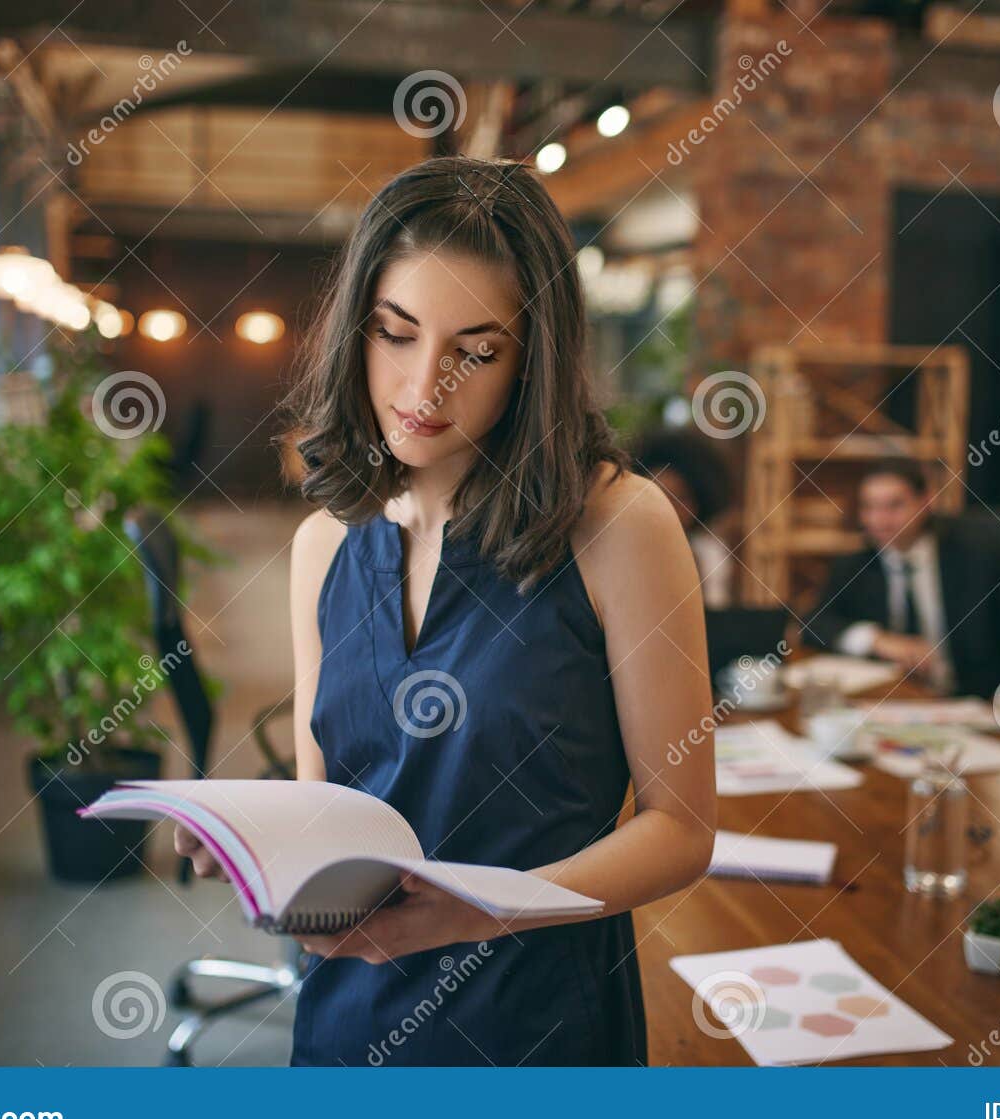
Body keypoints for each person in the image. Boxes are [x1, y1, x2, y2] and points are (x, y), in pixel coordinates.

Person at [175, 157, 716, 1065]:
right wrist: (254, 841)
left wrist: (479, 910)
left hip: (539, 1031)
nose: (424, 385)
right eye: (395, 333)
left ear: (531, 360)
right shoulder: (324, 545)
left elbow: (683, 830)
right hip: (349, 1021)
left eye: (476, 351)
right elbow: (331, 804)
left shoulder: (619, 525)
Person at [799, 459, 1000, 698]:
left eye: (894, 505)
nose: (879, 520)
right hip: (893, 700)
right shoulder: (855, 565)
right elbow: (814, 626)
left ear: (926, 501)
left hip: (972, 699)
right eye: (869, 507)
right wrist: (877, 640)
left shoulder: (980, 559)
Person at [635, 427, 737, 609]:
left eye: (680, 499)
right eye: (658, 495)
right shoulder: (620, 554)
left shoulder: (709, 555)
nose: (667, 509)